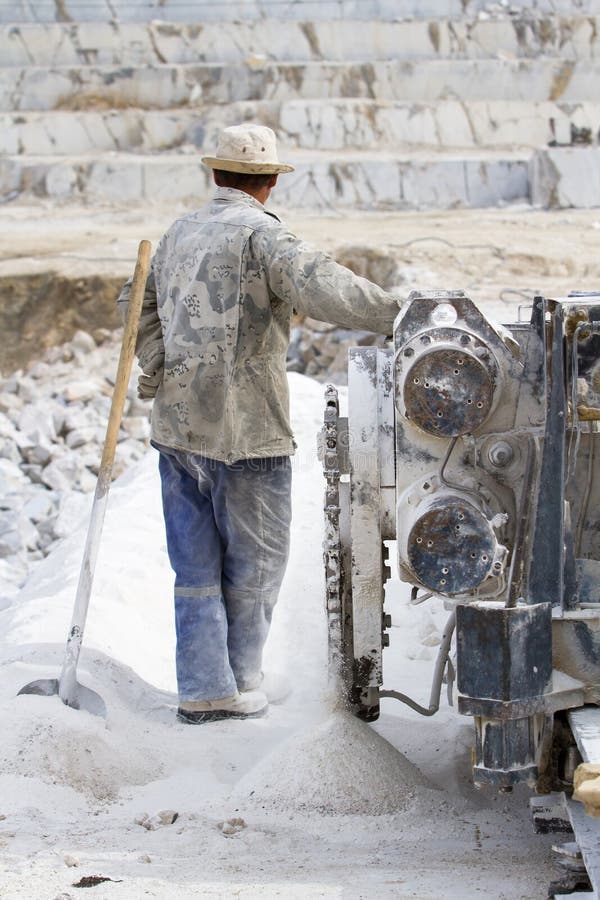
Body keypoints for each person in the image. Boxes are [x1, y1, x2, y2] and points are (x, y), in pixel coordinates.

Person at [117, 123, 400, 724]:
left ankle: (201, 688)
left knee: (194, 568)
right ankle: (241, 681)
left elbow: (135, 303)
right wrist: (400, 313)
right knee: (257, 563)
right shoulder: (263, 237)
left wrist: (158, 361)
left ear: (215, 174)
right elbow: (323, 286)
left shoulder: (178, 233)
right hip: (248, 433)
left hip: (177, 426)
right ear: (270, 182)